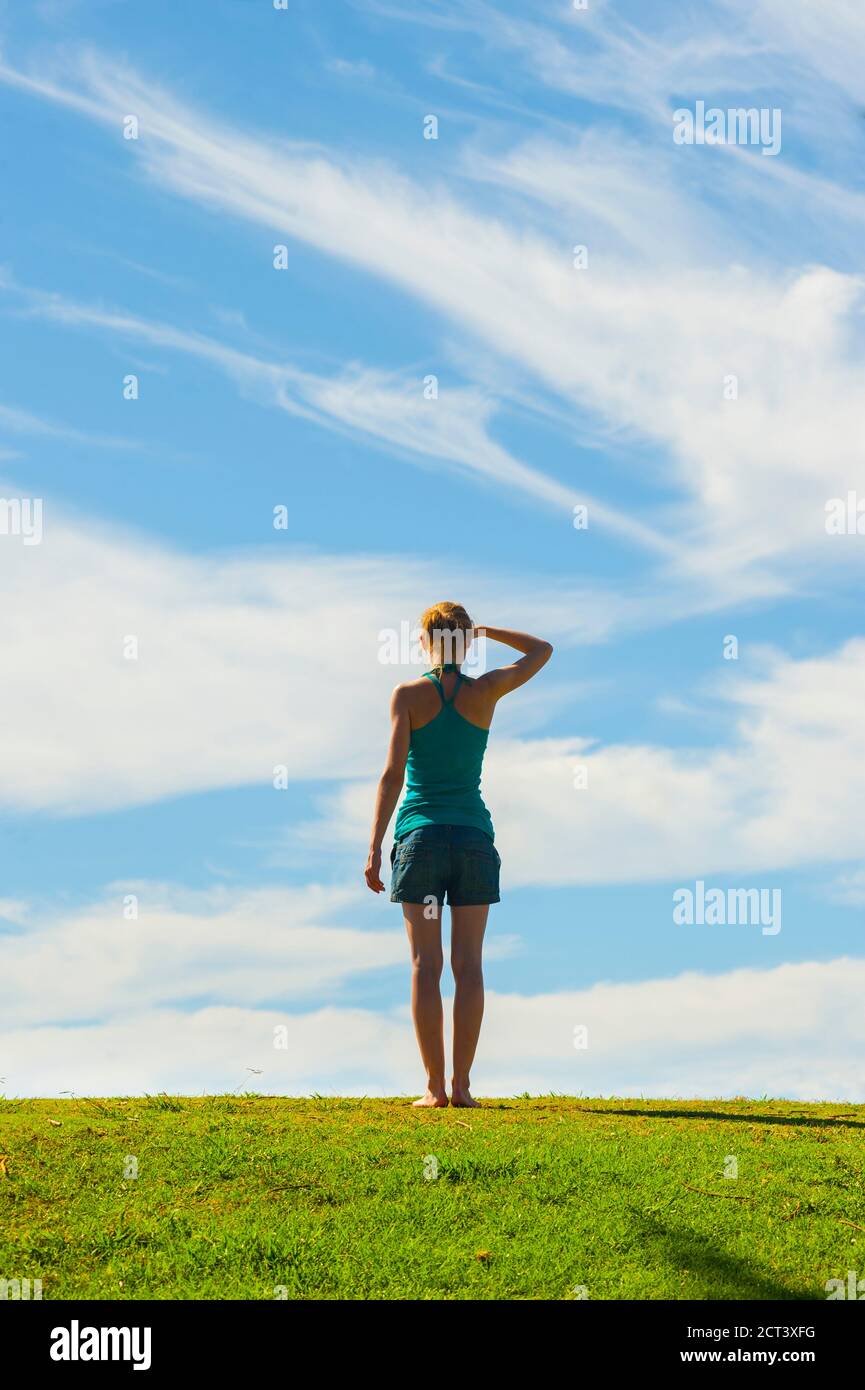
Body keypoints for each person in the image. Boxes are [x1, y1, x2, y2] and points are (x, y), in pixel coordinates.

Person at [365, 602, 553, 1107]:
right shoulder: (486, 691)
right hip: (470, 842)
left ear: (424, 641)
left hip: (422, 844)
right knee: (469, 965)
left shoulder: (407, 696)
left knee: (427, 965)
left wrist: (375, 846)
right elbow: (541, 650)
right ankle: (463, 1087)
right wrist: (486, 630)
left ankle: (433, 1090)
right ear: (466, 643)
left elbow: (392, 775)